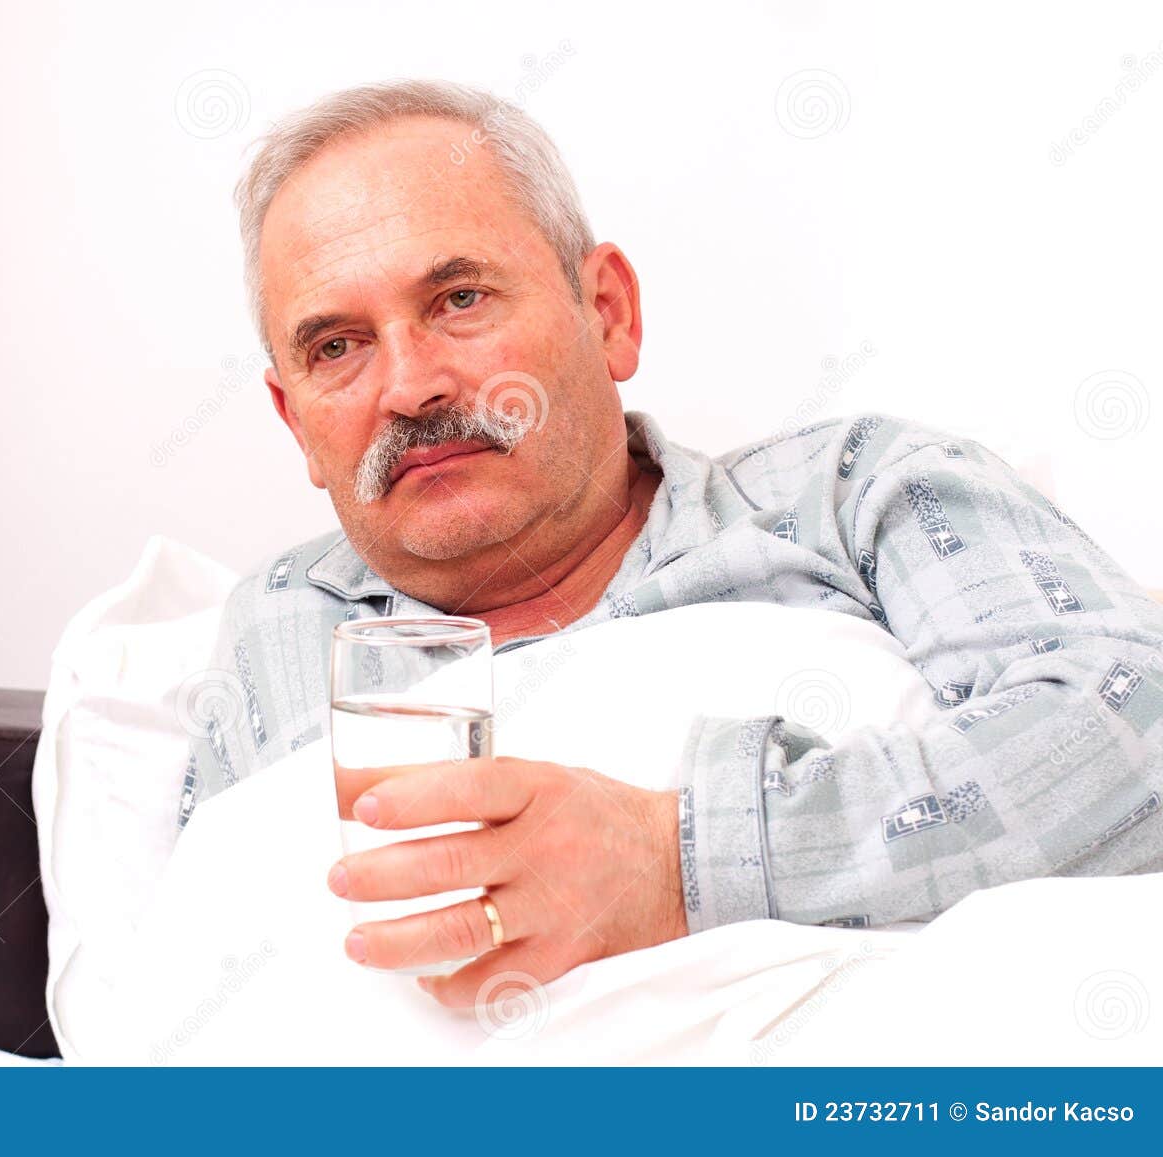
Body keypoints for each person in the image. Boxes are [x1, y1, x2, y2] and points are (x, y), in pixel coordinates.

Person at [177, 79, 1163, 1008]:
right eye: (335, 347)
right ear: (292, 417)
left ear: (607, 312)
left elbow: (1135, 733)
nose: (410, 386)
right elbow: (184, 967)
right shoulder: (276, 627)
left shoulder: (855, 493)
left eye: (459, 299)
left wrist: (674, 858)